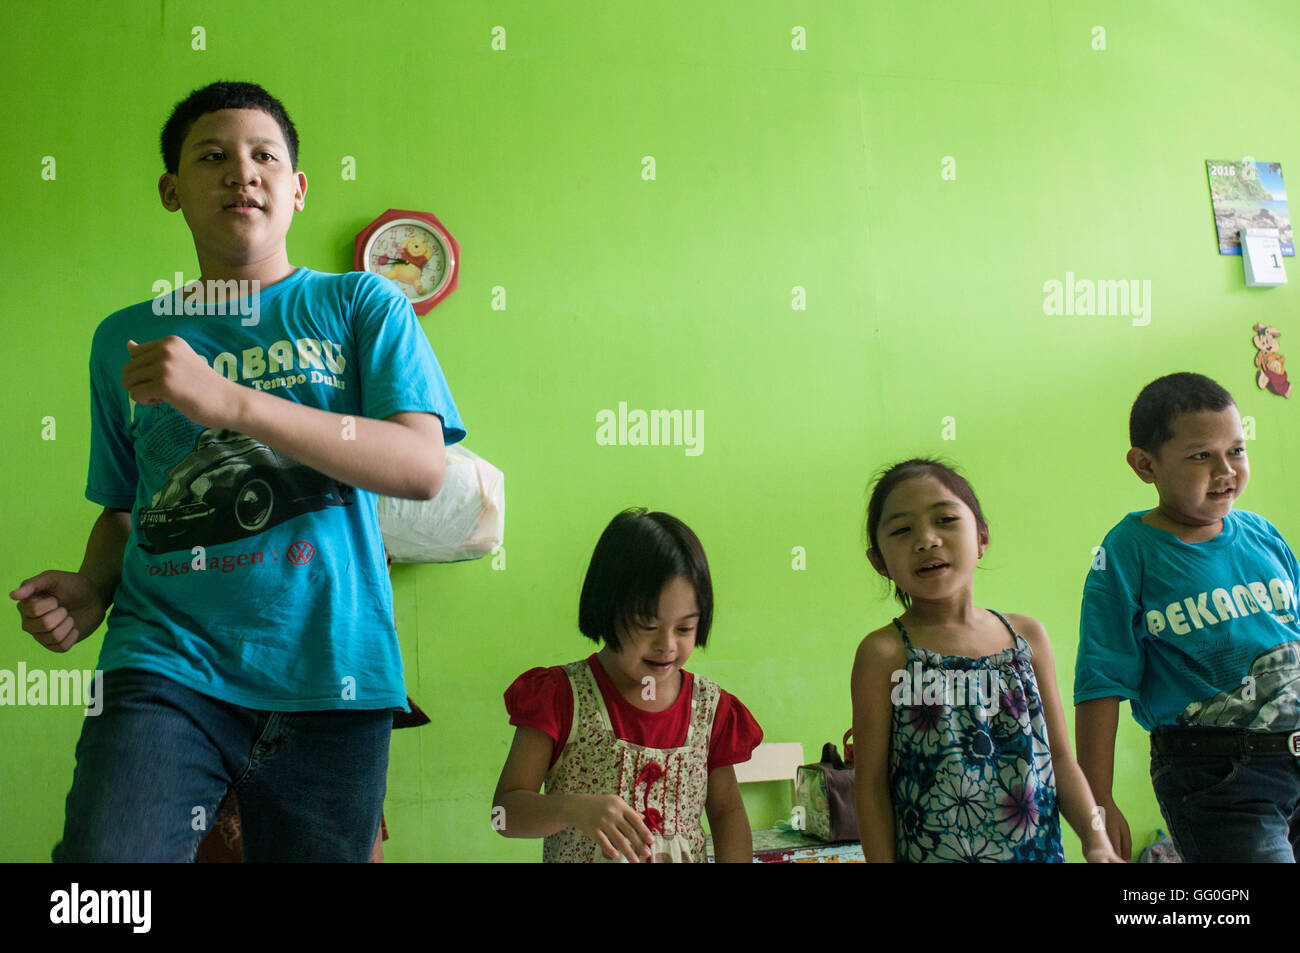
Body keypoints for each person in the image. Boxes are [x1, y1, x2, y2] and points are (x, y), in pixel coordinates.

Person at [10, 81, 465, 861]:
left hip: (334, 667)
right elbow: (127, 507)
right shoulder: (125, 338)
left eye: (264, 156)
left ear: (297, 188)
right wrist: (89, 585)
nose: (241, 172)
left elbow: (421, 467)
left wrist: (230, 401)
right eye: (212, 156)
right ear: (171, 190)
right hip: (164, 661)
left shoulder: (362, 305)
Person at [1075, 372, 1300, 862]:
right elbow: (1100, 683)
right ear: (1145, 465)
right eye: (1201, 455)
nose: (1226, 470)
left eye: (1236, 450)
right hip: (1217, 776)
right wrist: (1098, 802)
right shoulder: (1127, 552)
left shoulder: (1263, 536)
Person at [851, 459, 1120, 862]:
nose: (926, 540)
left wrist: (1097, 840)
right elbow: (870, 786)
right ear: (879, 562)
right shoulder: (885, 653)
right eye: (902, 529)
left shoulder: (1027, 637)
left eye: (944, 519)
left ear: (982, 537)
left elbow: (1061, 759)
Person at [492, 508, 761, 862]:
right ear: (607, 609)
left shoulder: (712, 711)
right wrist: (573, 809)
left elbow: (727, 814)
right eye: (648, 626)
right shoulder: (560, 696)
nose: (667, 644)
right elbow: (505, 814)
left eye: (684, 628)